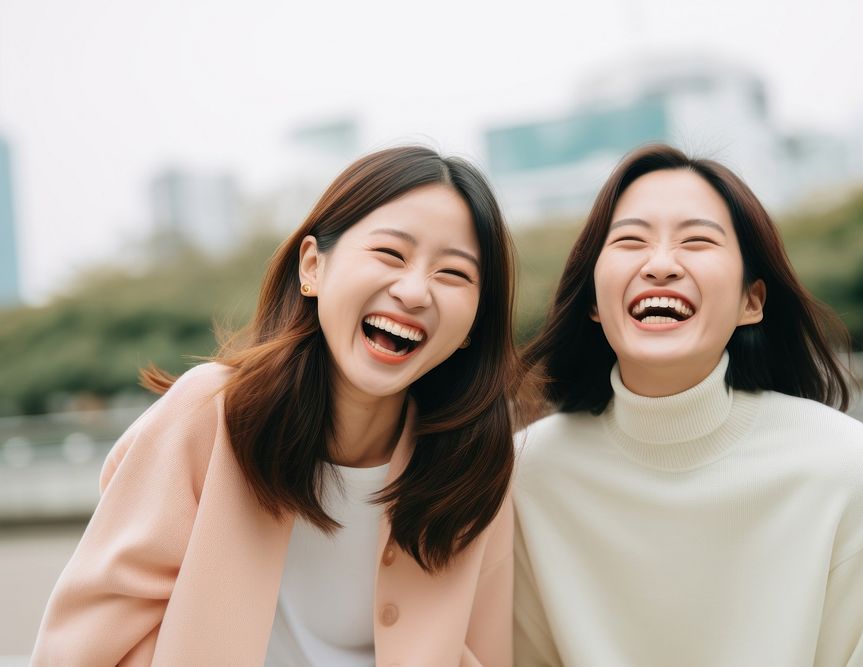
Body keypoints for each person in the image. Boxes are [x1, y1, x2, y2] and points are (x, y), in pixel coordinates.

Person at [32, 146, 517, 666]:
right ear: (312, 266)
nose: (415, 291)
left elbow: (486, 655)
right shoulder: (211, 414)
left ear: (475, 320)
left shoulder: (476, 460)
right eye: (390, 254)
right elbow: (80, 649)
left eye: (453, 274)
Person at [513, 144, 863, 666]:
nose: (660, 265)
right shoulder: (528, 471)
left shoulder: (841, 464)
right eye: (630, 241)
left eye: (697, 241)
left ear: (750, 302)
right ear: (594, 303)